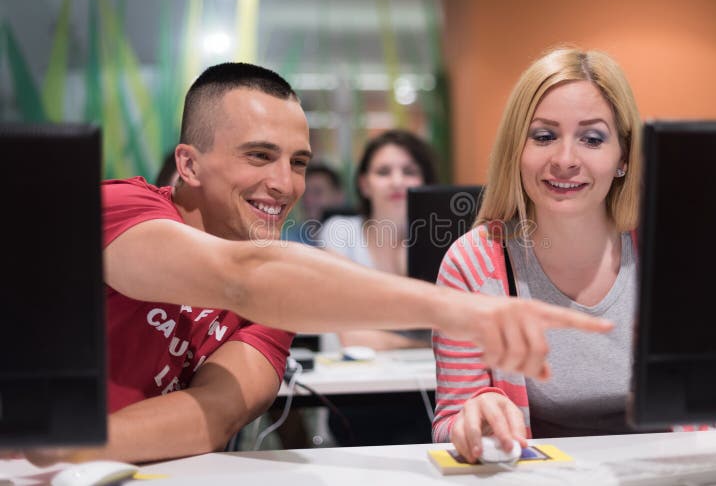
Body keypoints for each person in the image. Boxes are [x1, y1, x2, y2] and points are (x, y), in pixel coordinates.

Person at [22, 62, 611, 466]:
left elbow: (215, 414)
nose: (285, 184)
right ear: (189, 164)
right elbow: (238, 275)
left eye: (298, 162)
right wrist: (456, 309)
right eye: (259, 156)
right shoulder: (119, 207)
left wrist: (66, 447)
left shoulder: (276, 304)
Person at [432, 46, 644, 462]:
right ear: (517, 149)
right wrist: (474, 418)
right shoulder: (473, 264)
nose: (564, 160)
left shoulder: (669, 254)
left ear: (623, 155)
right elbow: (449, 423)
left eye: (592, 139)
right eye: (544, 136)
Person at [320, 130, 436, 350]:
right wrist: (421, 345)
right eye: (383, 172)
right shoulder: (340, 232)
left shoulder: (440, 239)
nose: (397, 182)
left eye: (409, 171)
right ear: (364, 184)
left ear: (425, 181)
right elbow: (349, 337)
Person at [283, 163, 346, 245]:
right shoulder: (287, 241)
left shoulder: (355, 239)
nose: (308, 199)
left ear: (338, 197)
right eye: (304, 193)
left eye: (317, 192)